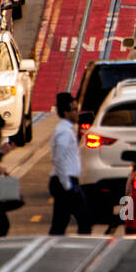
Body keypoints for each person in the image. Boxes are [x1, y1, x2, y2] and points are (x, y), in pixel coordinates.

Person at [49, 91, 93, 235]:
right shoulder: (64, 132)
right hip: (65, 181)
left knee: (60, 223)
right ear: (66, 113)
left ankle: (52, 245)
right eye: (74, 110)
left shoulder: (65, 129)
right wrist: (66, 184)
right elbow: (58, 159)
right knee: (84, 219)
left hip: (63, 181)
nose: (77, 113)